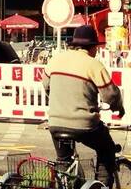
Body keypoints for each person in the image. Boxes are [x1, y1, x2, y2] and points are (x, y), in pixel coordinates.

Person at [41, 24, 124, 178]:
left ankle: (63, 188)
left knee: (64, 162)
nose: (97, 50)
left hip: (55, 123)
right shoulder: (94, 65)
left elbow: (46, 86)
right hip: (85, 125)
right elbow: (111, 95)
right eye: (96, 47)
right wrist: (118, 107)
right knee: (106, 151)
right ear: (92, 47)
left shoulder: (55, 60)